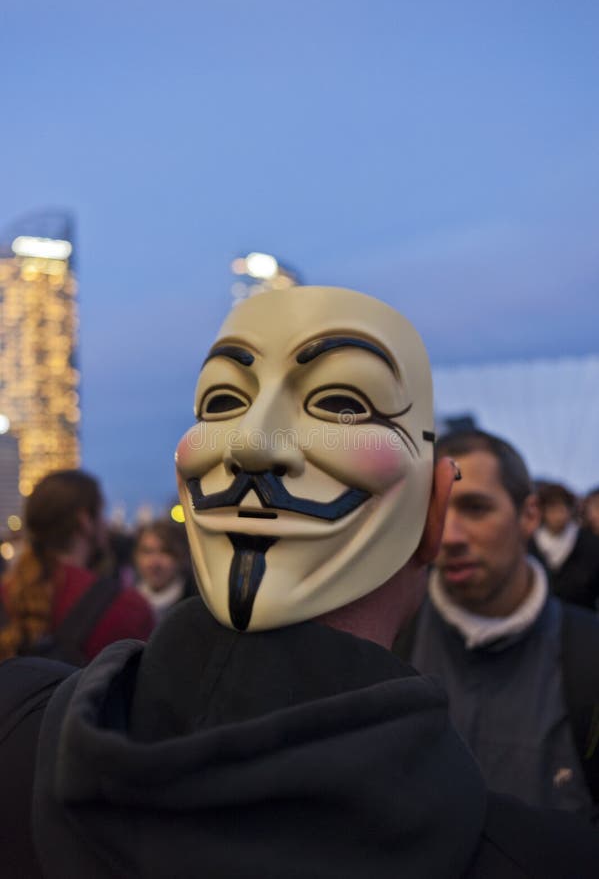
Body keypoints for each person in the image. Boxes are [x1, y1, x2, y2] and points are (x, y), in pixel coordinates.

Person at [1, 289, 598, 878]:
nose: (253, 445)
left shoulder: (18, 727)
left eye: (340, 404)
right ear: (439, 510)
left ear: (428, 502)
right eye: (223, 403)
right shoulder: (544, 857)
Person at [395, 430, 599, 819]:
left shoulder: (588, 657)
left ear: (529, 516)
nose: (447, 535)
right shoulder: (383, 645)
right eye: (432, 511)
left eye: (475, 508)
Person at [0, 469, 155, 666]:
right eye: (101, 512)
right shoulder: (127, 607)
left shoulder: (7, 594)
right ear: (84, 521)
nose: (105, 522)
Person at [530, 481, 599, 610]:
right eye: (553, 508)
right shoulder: (529, 543)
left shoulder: (590, 544)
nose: (558, 515)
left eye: (563, 508)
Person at [134, 519, 195, 621]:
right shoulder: (129, 603)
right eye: (147, 551)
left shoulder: (194, 605)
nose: (154, 562)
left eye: (165, 552)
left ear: (180, 556)